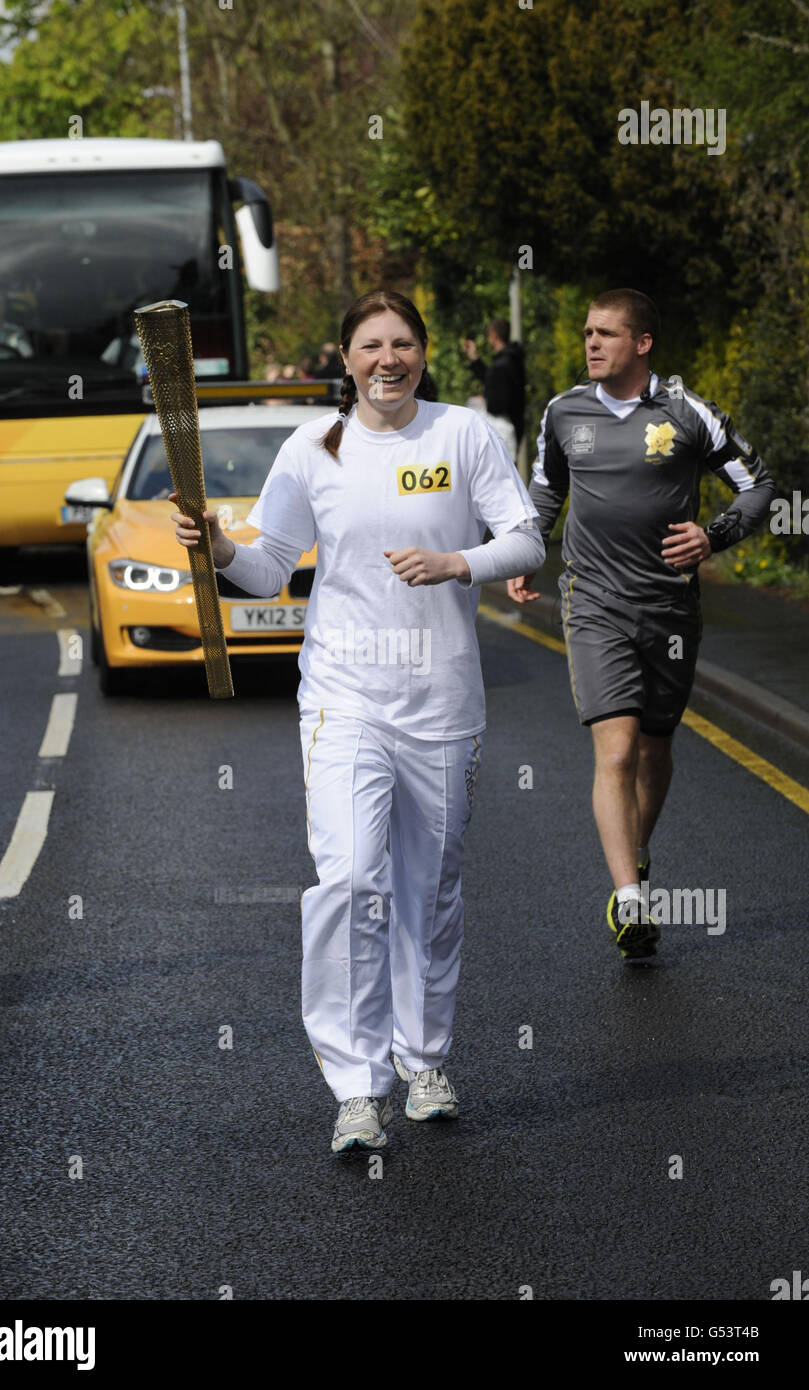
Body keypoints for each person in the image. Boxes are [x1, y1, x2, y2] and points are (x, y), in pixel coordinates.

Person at [171, 289, 545, 1152]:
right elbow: (268, 571)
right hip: (344, 699)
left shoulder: (463, 436)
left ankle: (424, 1063)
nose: (388, 359)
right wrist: (220, 548)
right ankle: (354, 1086)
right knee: (346, 883)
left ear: (423, 353)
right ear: (344, 358)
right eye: (371, 345)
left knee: (428, 892)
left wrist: (458, 561)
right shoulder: (312, 448)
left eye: (402, 344)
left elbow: (525, 538)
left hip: (443, 704)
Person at [507, 288, 776, 961]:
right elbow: (547, 487)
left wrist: (712, 537)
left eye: (605, 333)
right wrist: (526, 549)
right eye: (586, 333)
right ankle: (629, 900)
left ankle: (638, 851)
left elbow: (759, 485)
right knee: (617, 751)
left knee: (655, 751)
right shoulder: (563, 411)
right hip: (593, 601)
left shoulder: (685, 412)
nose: (591, 343)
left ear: (642, 342)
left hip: (669, 610)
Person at [463, 317, 526, 459]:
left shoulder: (503, 364)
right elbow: (492, 380)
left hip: (505, 432)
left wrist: (485, 399)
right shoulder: (510, 360)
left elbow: (499, 403)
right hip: (513, 427)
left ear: (494, 335)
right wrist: (475, 359)